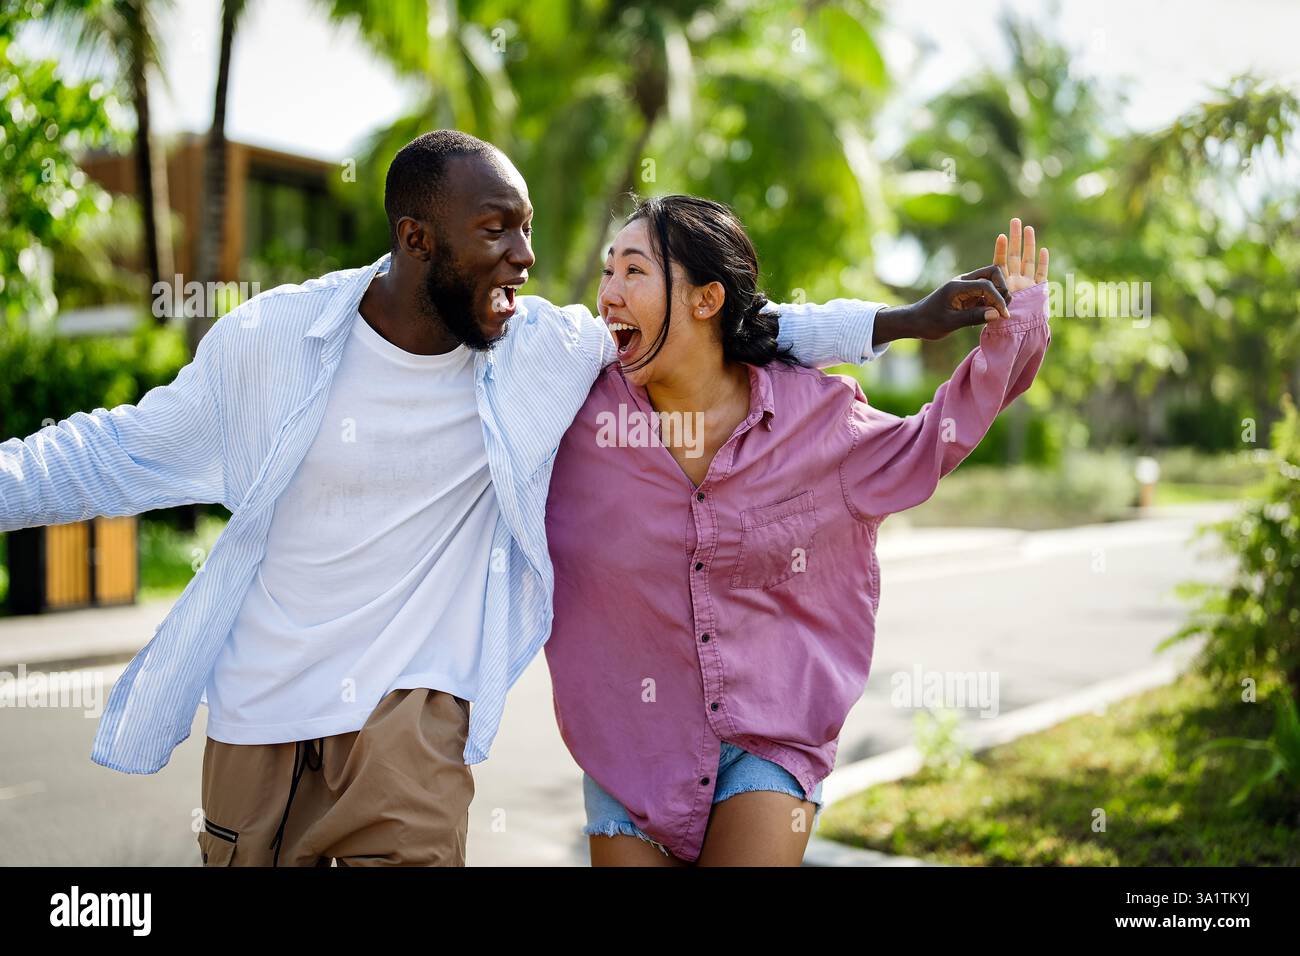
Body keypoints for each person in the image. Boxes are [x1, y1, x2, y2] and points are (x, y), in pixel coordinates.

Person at [0, 130, 1013, 866]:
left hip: (409, 725)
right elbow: (113, 451)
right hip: (259, 721)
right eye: (497, 232)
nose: (525, 259)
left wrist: (900, 320)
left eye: (528, 231)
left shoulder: (542, 349)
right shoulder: (274, 346)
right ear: (417, 238)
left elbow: (739, 325)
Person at [543, 196, 1050, 865]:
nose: (607, 294)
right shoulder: (574, 420)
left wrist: (1011, 331)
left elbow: (932, 442)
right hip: (630, 748)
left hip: (769, 739)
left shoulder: (815, 418)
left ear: (705, 300)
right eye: (608, 272)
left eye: (632, 272)